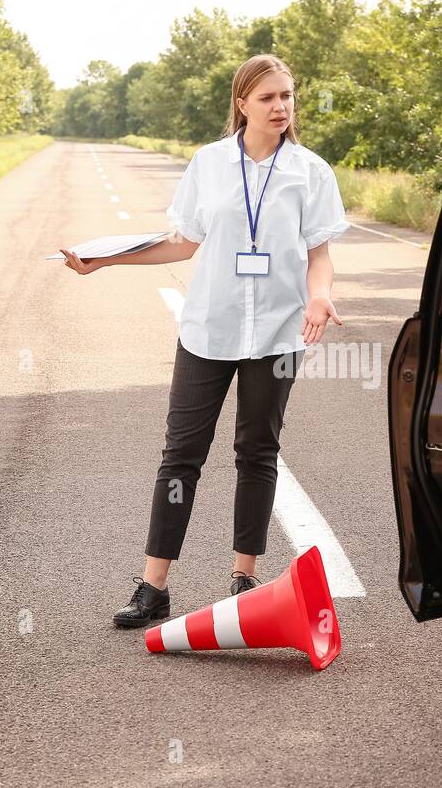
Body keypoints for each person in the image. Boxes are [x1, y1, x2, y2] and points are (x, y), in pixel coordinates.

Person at [60, 54, 350, 628]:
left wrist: (319, 295)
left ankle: (245, 580)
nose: (281, 106)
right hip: (208, 328)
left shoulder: (310, 171)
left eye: (287, 96)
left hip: (277, 331)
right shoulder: (210, 164)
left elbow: (320, 252)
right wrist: (107, 259)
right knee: (181, 456)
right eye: (267, 97)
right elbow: (182, 242)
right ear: (242, 103)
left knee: (257, 452)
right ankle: (153, 586)